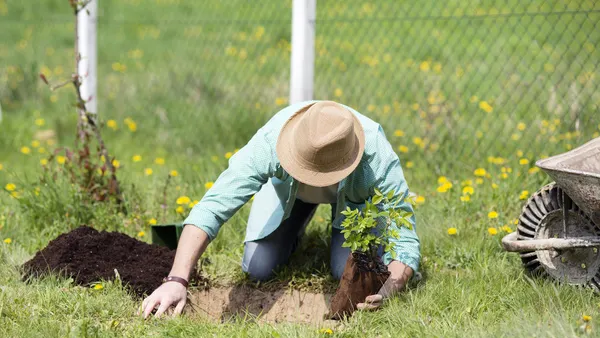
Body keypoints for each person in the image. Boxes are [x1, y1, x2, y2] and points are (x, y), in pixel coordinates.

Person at [141, 100, 420, 318]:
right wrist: (177, 279)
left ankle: (336, 232)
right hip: (288, 195)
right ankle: (293, 228)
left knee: (343, 271)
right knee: (258, 267)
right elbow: (214, 206)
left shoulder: (376, 153)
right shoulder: (272, 141)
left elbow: (405, 237)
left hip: (353, 207)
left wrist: (390, 287)